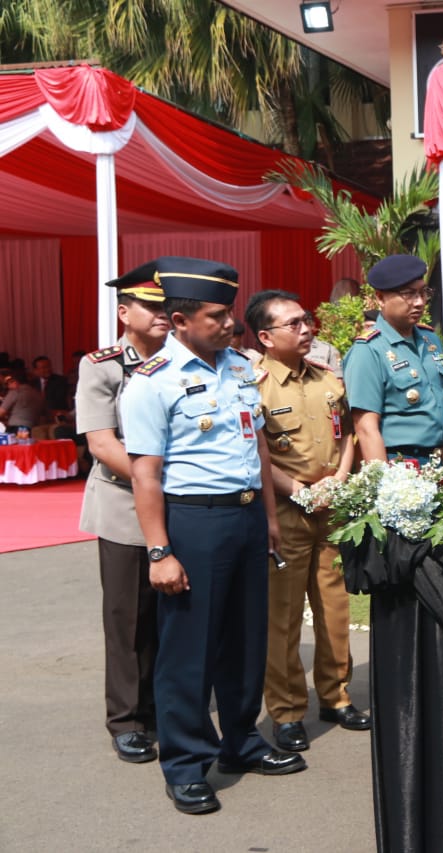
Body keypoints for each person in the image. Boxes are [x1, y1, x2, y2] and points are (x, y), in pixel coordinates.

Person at [120, 256, 305, 816]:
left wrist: (269, 521)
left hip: (248, 518)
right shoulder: (153, 384)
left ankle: (241, 742)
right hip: (194, 522)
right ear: (178, 321)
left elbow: (258, 448)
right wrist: (160, 551)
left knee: (246, 639)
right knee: (190, 649)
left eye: (230, 314)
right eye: (217, 315)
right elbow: (145, 473)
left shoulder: (242, 367)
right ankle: (185, 762)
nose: (231, 324)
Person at [246, 290, 370, 755]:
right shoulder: (254, 384)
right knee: (282, 618)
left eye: (307, 321)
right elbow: (255, 452)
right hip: (286, 510)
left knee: (334, 609)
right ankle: (286, 711)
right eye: (293, 324)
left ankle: (336, 697)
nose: (306, 329)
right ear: (265, 336)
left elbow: (348, 436)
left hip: (330, 507)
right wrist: (298, 490)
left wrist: (339, 478)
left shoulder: (327, 380)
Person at [75, 262, 170, 764]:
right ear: (123, 312)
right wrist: (156, 480)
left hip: (183, 502)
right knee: (129, 618)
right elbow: (100, 442)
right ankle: (129, 719)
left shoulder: (184, 358)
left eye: (165, 306)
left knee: (174, 615)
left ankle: (167, 708)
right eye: (151, 307)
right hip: (125, 505)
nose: (161, 315)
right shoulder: (104, 365)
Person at [342, 254, 443, 467]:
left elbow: (436, 411)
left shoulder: (431, 340)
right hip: (399, 464)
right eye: (408, 294)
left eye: (423, 292)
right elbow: (365, 428)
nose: (419, 302)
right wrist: (386, 485)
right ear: (380, 298)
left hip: (436, 462)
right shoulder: (368, 350)